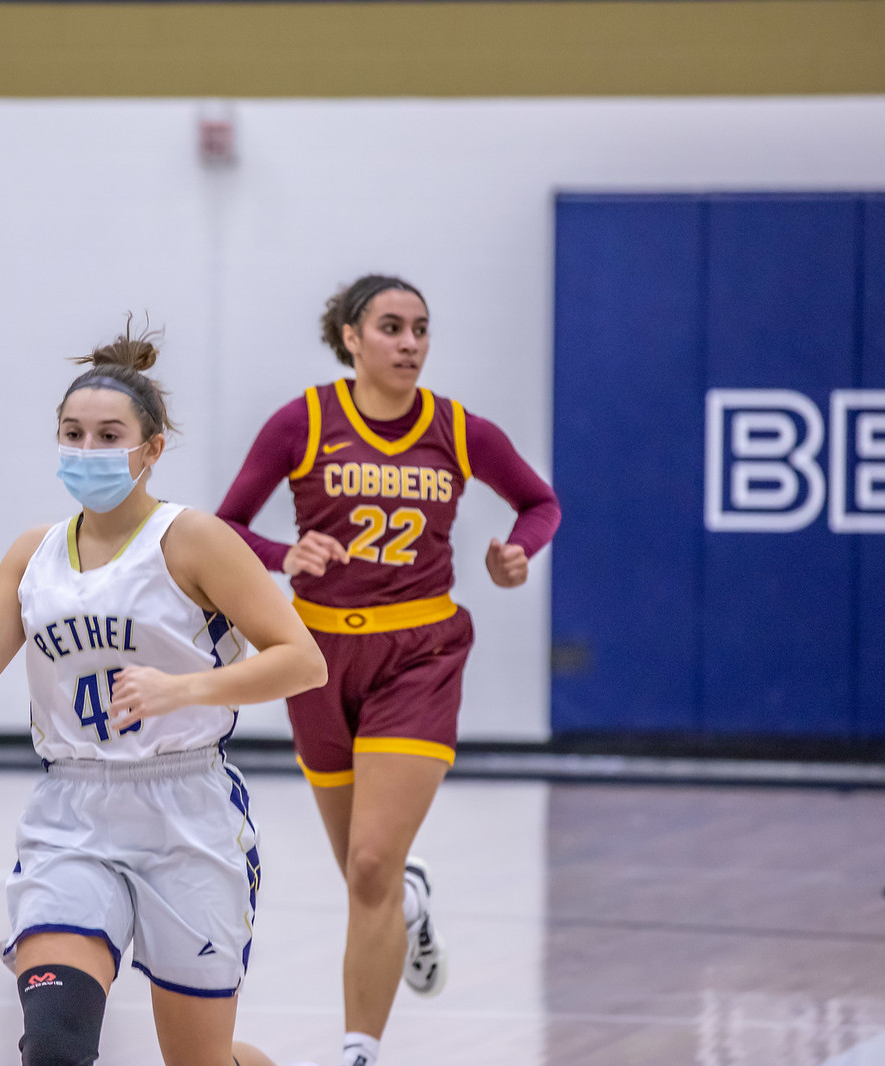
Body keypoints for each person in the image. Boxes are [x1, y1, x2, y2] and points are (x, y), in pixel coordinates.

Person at [0, 327, 326, 1066]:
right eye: (72, 434)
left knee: (199, 1062)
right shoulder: (34, 554)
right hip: (72, 816)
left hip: (188, 812)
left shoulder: (193, 540)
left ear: (151, 450)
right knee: (54, 1047)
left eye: (108, 435)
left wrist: (184, 689)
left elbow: (302, 661)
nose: (87, 449)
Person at [216, 275, 561, 1066]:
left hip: (421, 654)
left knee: (370, 861)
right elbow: (227, 523)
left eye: (421, 329)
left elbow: (539, 503)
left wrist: (519, 554)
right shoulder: (301, 421)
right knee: (365, 877)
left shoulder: (458, 429)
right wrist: (282, 553)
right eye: (392, 328)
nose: (410, 343)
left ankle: (357, 1051)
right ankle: (410, 899)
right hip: (315, 659)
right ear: (350, 337)